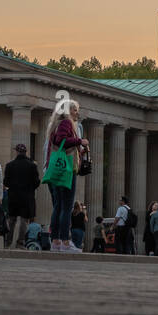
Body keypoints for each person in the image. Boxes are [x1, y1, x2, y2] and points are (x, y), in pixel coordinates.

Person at [41, 99, 88, 254]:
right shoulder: (66, 123)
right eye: (75, 110)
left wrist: (78, 150)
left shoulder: (54, 124)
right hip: (66, 170)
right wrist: (80, 141)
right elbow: (61, 140)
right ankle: (65, 242)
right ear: (68, 111)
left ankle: (55, 241)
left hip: (56, 169)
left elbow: (57, 143)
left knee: (58, 206)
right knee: (66, 207)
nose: (77, 113)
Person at [3, 144, 40, 249]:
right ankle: (20, 242)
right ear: (25, 152)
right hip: (27, 197)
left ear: (17, 152)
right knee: (24, 220)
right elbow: (37, 182)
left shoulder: (10, 165)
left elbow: (6, 182)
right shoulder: (32, 165)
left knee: (11, 220)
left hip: (13, 196)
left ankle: (8, 242)